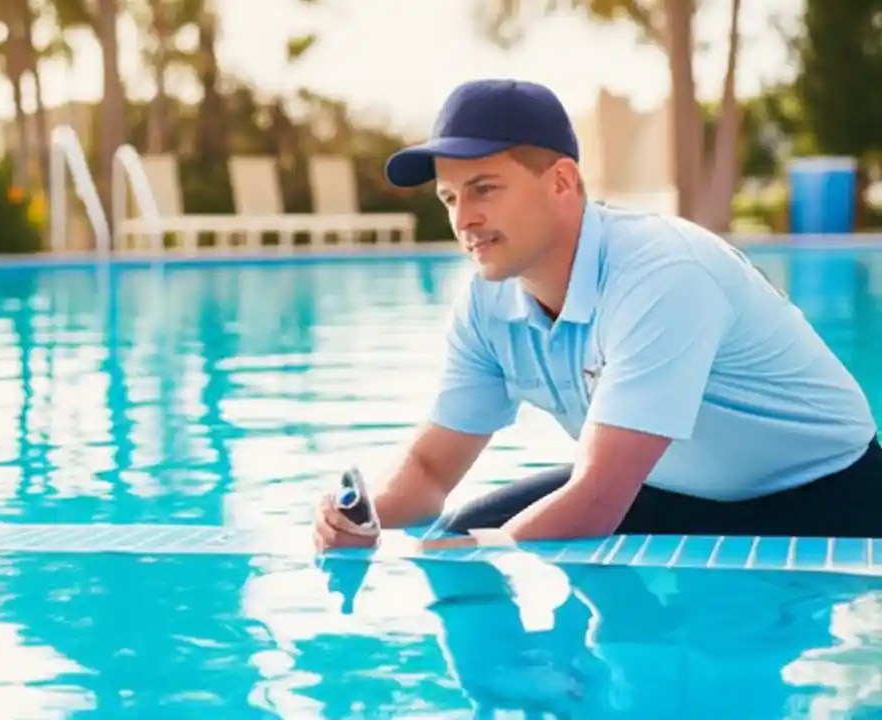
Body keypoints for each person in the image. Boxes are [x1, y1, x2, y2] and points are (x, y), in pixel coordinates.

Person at [312, 78, 882, 552]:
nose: (465, 219)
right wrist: (362, 521)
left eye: (485, 189)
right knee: (458, 534)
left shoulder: (662, 274)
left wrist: (477, 559)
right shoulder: (488, 302)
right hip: (669, 485)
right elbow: (432, 471)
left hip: (822, 495)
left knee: (473, 554)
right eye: (450, 198)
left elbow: (598, 499)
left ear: (562, 181)